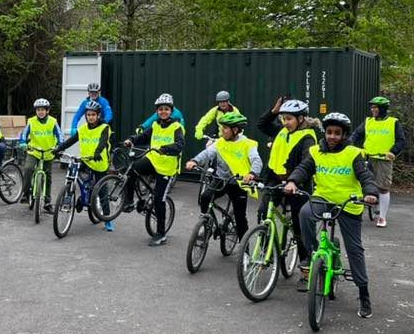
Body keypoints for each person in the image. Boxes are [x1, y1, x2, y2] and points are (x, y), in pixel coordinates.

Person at [285, 112, 379, 319]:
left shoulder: (354, 153)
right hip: (322, 198)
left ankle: (363, 294)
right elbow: (303, 169)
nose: (332, 136)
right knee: (304, 214)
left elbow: (366, 176)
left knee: (354, 249)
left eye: (337, 133)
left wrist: (370, 193)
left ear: (344, 134)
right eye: (329, 132)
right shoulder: (316, 151)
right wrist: (292, 181)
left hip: (348, 203)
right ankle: (313, 253)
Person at [258, 97, 319, 287]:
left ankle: (306, 270)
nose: (285, 122)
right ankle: (266, 250)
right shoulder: (281, 131)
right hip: (275, 180)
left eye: (289, 119)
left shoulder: (308, 137)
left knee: (300, 227)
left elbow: (306, 163)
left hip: (297, 185)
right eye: (283, 118)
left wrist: (293, 181)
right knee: (264, 212)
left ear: (301, 119)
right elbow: (262, 125)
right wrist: (274, 111)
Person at [185, 111, 261, 240]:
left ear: (235, 130)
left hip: (239, 182)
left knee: (240, 217)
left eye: (225, 128)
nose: (222, 131)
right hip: (221, 179)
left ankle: (244, 249)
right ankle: (206, 224)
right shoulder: (220, 142)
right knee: (205, 197)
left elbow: (256, 160)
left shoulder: (248, 143)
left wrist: (252, 173)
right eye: (222, 127)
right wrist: (195, 161)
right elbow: (207, 153)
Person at [123, 93, 185, 246]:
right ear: (157, 111)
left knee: (159, 199)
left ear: (171, 111)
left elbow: (180, 145)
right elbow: (144, 136)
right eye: (160, 109)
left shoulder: (177, 127)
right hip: (152, 160)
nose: (163, 112)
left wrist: (165, 149)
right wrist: (131, 139)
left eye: (166, 109)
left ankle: (161, 234)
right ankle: (129, 201)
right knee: (132, 169)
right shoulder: (155, 125)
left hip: (167, 168)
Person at [54, 100, 113, 231]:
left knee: (102, 191)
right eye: (88, 115)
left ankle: (107, 219)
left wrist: (97, 153)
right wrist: (59, 148)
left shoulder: (105, 127)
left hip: (99, 162)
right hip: (86, 160)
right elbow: (71, 140)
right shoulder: (83, 129)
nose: (90, 117)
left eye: (93, 115)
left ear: (98, 115)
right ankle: (76, 196)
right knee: (73, 170)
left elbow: (103, 142)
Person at [350, 96, 407, 228]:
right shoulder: (368, 121)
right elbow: (356, 134)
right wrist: (349, 144)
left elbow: (401, 140)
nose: (372, 109)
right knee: (360, 183)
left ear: (382, 109)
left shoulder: (393, 122)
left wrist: (393, 152)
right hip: (367, 157)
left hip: (383, 159)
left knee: (383, 187)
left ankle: (382, 217)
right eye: (372, 107)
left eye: (375, 107)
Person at [19, 98, 63, 212]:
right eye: (38, 110)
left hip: (49, 152)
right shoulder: (31, 121)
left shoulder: (53, 121)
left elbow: (60, 136)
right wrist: (23, 143)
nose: (40, 112)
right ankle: (26, 193)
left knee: (48, 177)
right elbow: (24, 135)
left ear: (47, 111)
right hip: (34, 151)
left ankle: (47, 202)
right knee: (28, 169)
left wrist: (60, 146)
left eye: (43, 110)